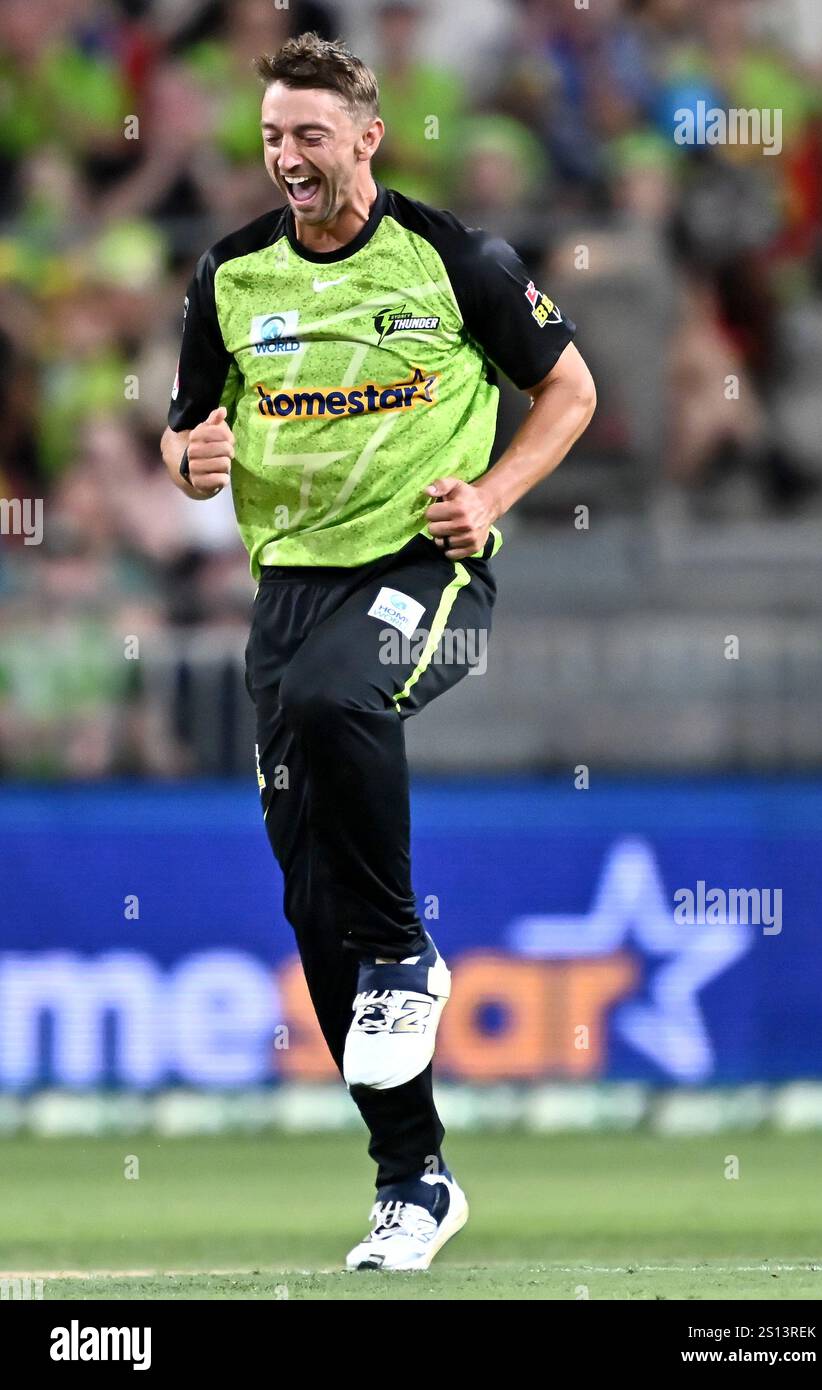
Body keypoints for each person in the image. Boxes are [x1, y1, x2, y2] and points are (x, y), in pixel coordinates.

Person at [160, 32, 595, 1271]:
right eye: (268, 139)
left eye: (307, 135)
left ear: (365, 136)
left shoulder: (453, 259)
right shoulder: (231, 275)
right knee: (310, 905)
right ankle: (413, 1180)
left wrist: (495, 490)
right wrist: (186, 457)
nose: (285, 159)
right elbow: (189, 434)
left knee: (343, 694)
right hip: (287, 597)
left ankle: (408, 948)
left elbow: (569, 391)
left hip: (429, 571)